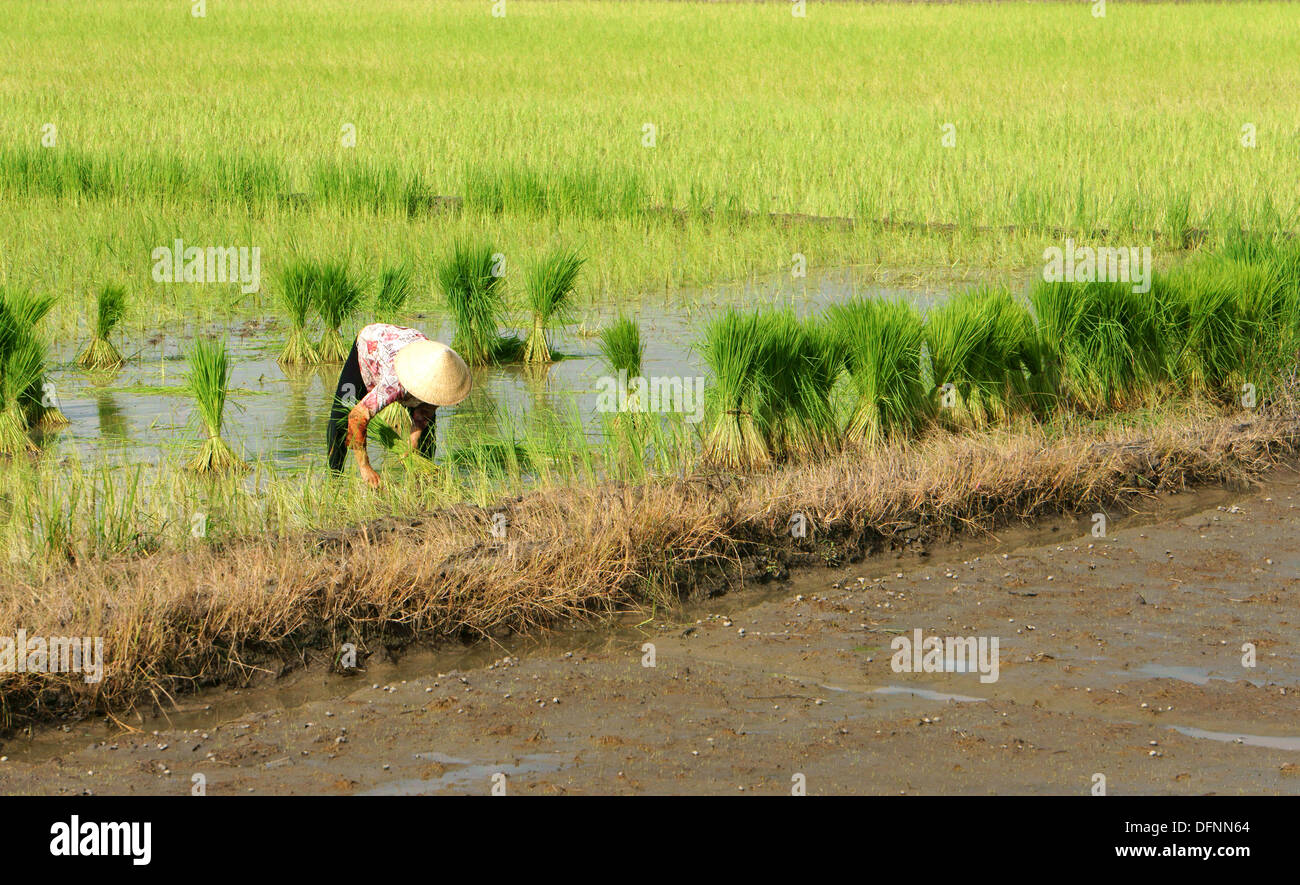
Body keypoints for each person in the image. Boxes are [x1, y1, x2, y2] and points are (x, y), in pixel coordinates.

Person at [326, 323, 472, 487]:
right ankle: (334, 480)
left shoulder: (441, 374)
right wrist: (364, 466)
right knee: (341, 413)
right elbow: (356, 416)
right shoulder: (395, 383)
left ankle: (423, 483)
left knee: (427, 432)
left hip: (407, 344)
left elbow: (427, 409)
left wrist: (413, 439)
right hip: (369, 346)